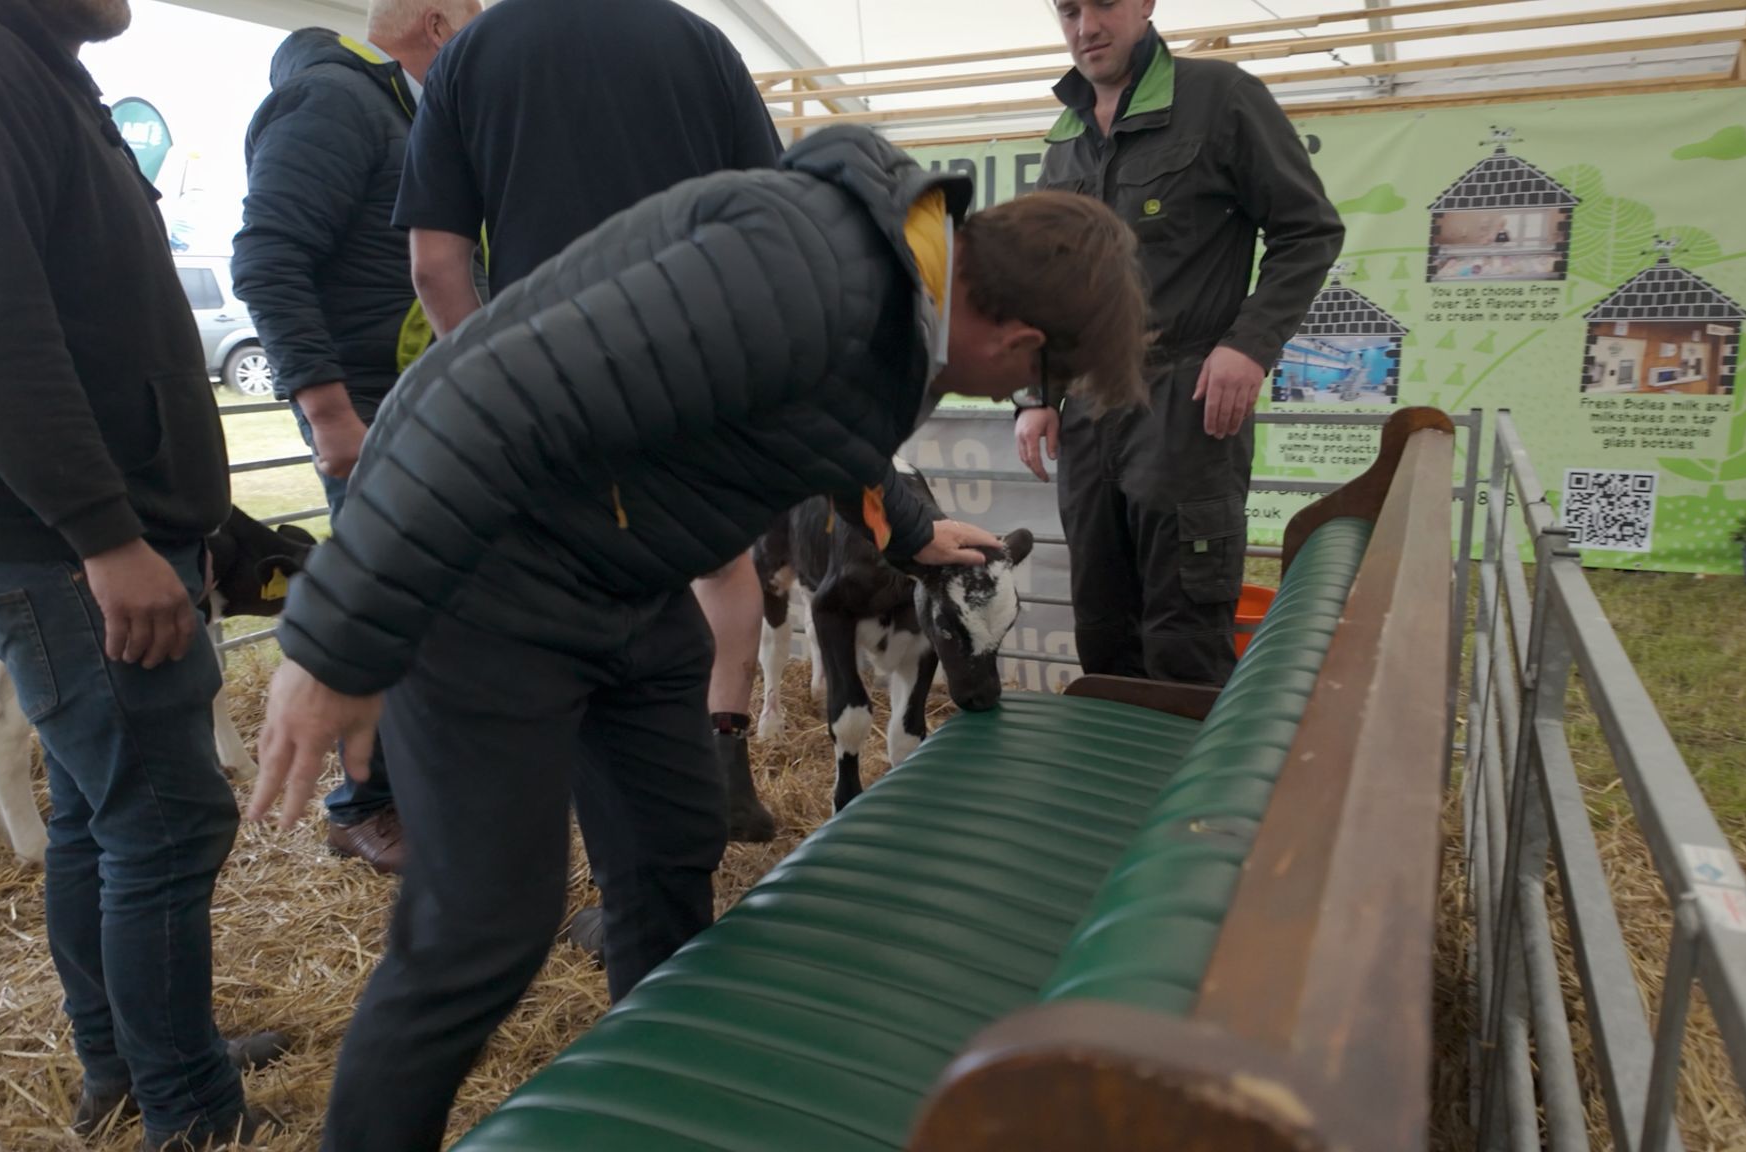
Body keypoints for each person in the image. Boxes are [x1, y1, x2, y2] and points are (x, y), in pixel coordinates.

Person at [243, 126, 1150, 1152]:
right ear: (1022, 337)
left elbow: (824, 422)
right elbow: (482, 400)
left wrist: (905, 527)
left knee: (673, 848)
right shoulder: (799, 269)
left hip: (620, 580)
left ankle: (660, 1115)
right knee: (482, 929)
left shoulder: (907, 301)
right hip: (487, 585)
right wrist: (335, 642)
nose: (1020, 403)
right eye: (1038, 385)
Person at [0, 0, 286, 1145]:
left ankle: (133, 1059)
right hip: (50, 543)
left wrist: (180, 505)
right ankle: (191, 1112)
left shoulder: (11, 59)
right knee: (163, 820)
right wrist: (104, 534)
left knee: (110, 816)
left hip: (64, 527)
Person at [393, 0, 788, 845]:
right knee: (719, 567)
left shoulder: (470, 57)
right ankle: (722, 775)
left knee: (587, 596)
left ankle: (620, 841)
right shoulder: (700, 43)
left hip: (553, 392)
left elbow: (434, 265)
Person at [1013, 0, 1345, 687]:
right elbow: (1048, 281)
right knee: (1101, 615)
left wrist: (1249, 346)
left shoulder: (1222, 98)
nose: (1086, 26)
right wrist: (1037, 394)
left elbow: (1308, 230)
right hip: (1087, 405)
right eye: (1069, 10)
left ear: (1144, 4)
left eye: (1103, 3)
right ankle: (1113, 781)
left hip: (1186, 401)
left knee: (1183, 620)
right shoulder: (1066, 137)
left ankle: (1188, 790)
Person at [231, 0, 481, 874]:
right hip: (373, 414)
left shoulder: (397, 110)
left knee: (434, 601)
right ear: (444, 23)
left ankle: (422, 786)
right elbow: (266, 256)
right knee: (386, 596)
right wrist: (332, 415)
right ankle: (366, 805)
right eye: (478, 15)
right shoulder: (336, 102)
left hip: (419, 405)